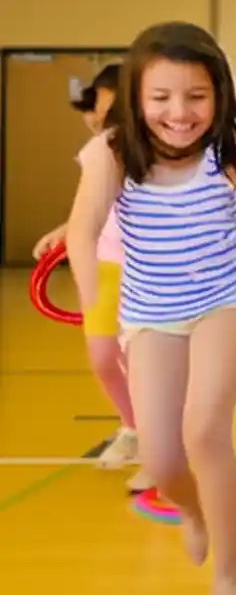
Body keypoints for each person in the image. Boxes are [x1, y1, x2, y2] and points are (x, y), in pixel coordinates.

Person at [63, 21, 236, 595]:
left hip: (226, 298)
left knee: (205, 430)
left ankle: (228, 569)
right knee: (163, 457)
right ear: (138, 100)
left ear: (219, 95)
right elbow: (83, 232)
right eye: (161, 98)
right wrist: (97, 307)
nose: (180, 113)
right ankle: (192, 511)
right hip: (150, 309)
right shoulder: (112, 154)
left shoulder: (231, 152)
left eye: (196, 97)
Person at [32, 64, 150, 492]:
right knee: (103, 357)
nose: (93, 108)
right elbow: (93, 208)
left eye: (100, 97)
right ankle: (132, 426)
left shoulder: (150, 147)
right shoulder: (99, 150)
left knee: (143, 361)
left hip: (144, 269)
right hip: (101, 264)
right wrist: (64, 232)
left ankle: (156, 447)